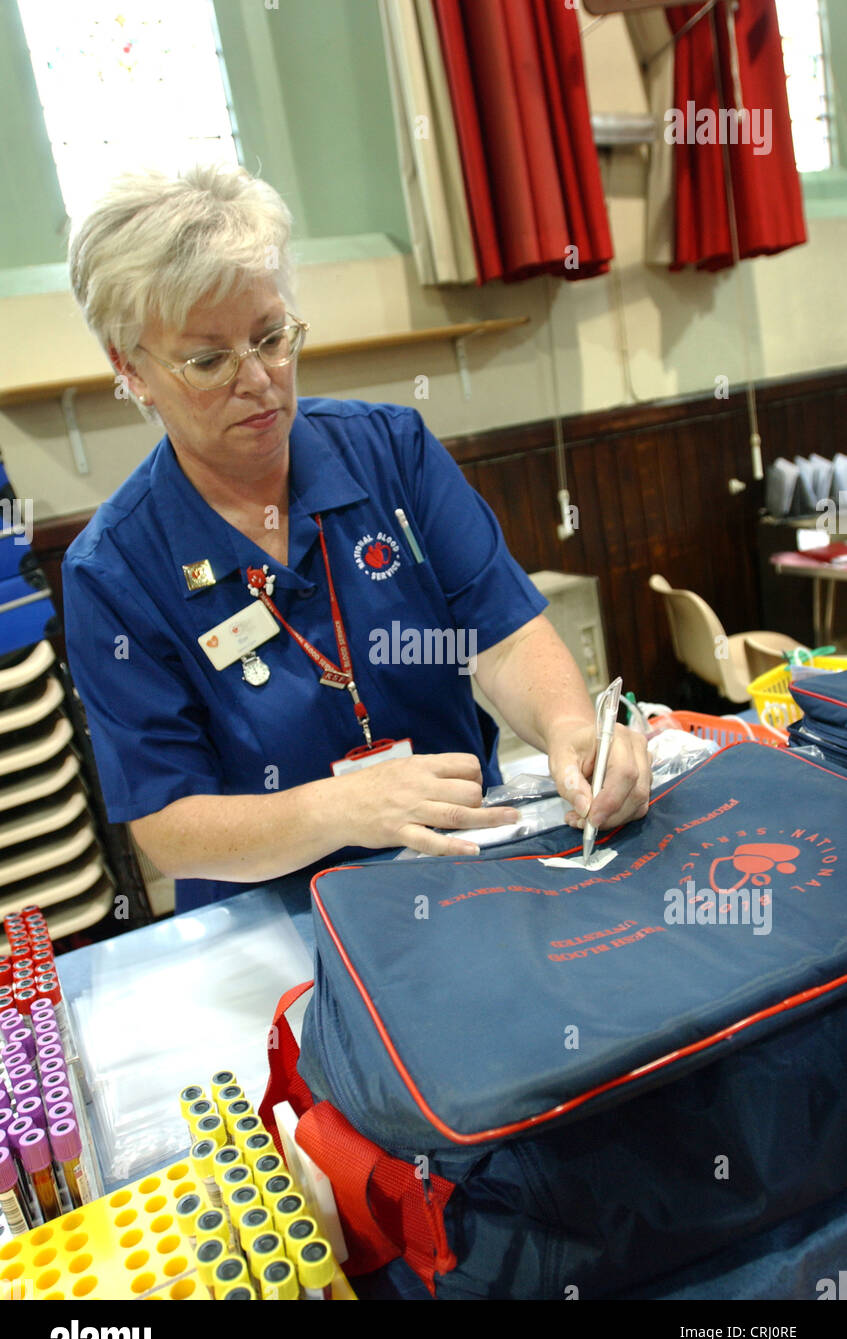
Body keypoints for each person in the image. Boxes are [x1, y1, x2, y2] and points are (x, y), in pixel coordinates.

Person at [63, 165, 649, 916]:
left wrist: (572, 730)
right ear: (129, 369)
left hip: (466, 870)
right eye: (209, 360)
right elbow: (169, 823)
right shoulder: (114, 569)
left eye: (272, 337)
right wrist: (335, 812)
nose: (260, 380)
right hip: (277, 920)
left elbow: (501, 637)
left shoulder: (390, 452)